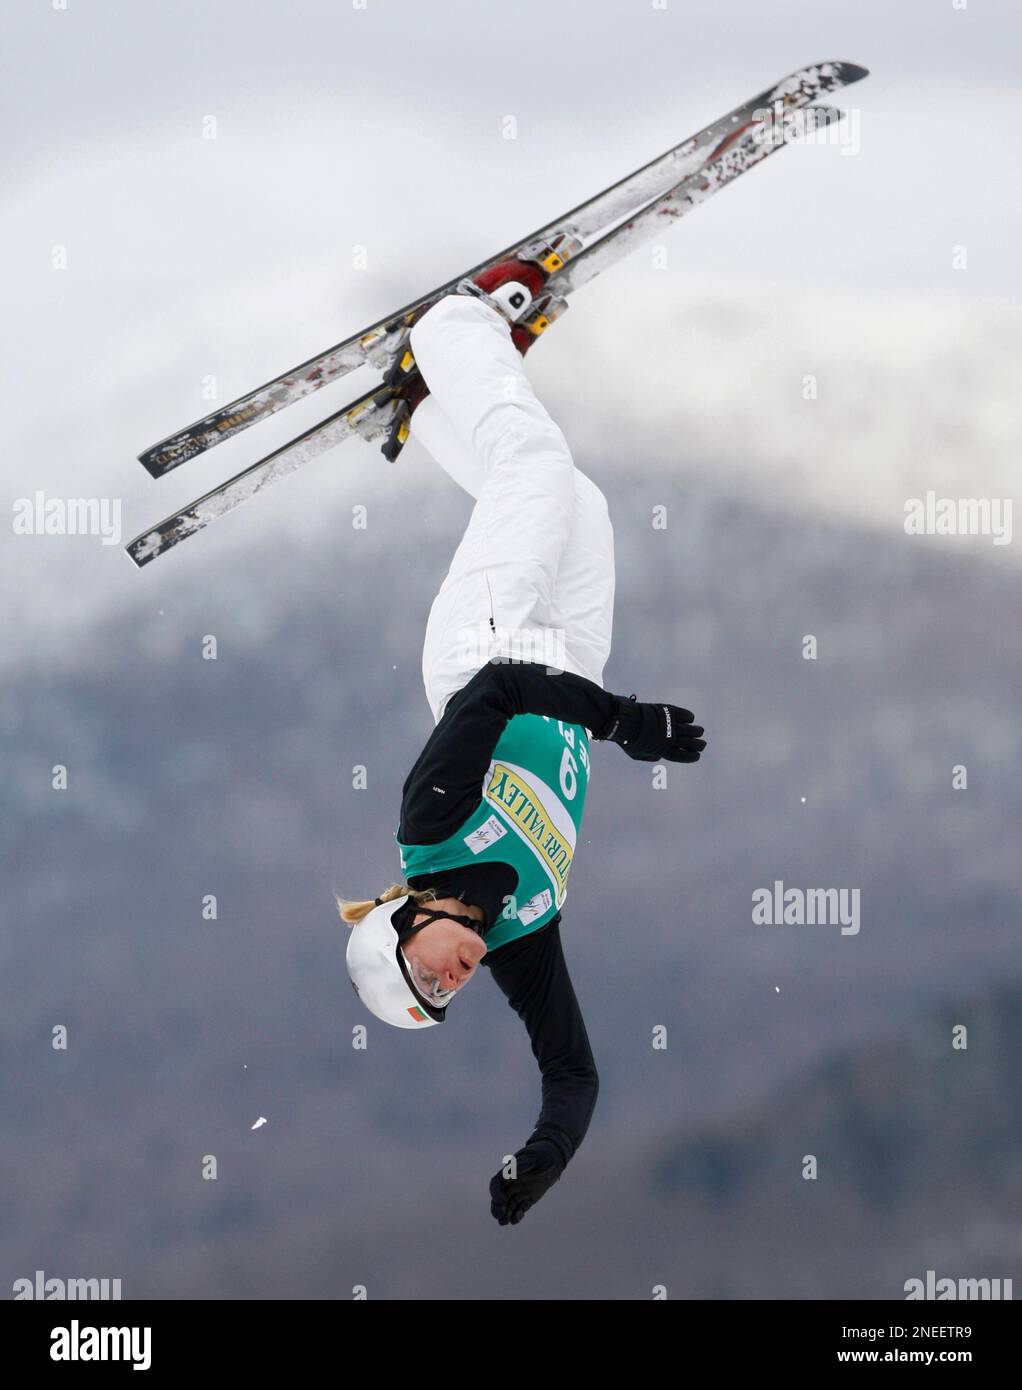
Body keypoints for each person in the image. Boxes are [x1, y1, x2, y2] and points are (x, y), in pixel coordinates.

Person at [341, 253, 706, 1225]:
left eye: (427, 973)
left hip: (487, 642)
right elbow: (572, 1071)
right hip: (574, 660)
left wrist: (625, 724)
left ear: (405, 926)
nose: (452, 980)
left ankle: (450, 328)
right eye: (445, 996)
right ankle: (427, 406)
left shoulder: (431, 827)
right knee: (577, 500)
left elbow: (499, 688)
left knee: (536, 467)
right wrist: (544, 1155)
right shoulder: (521, 931)